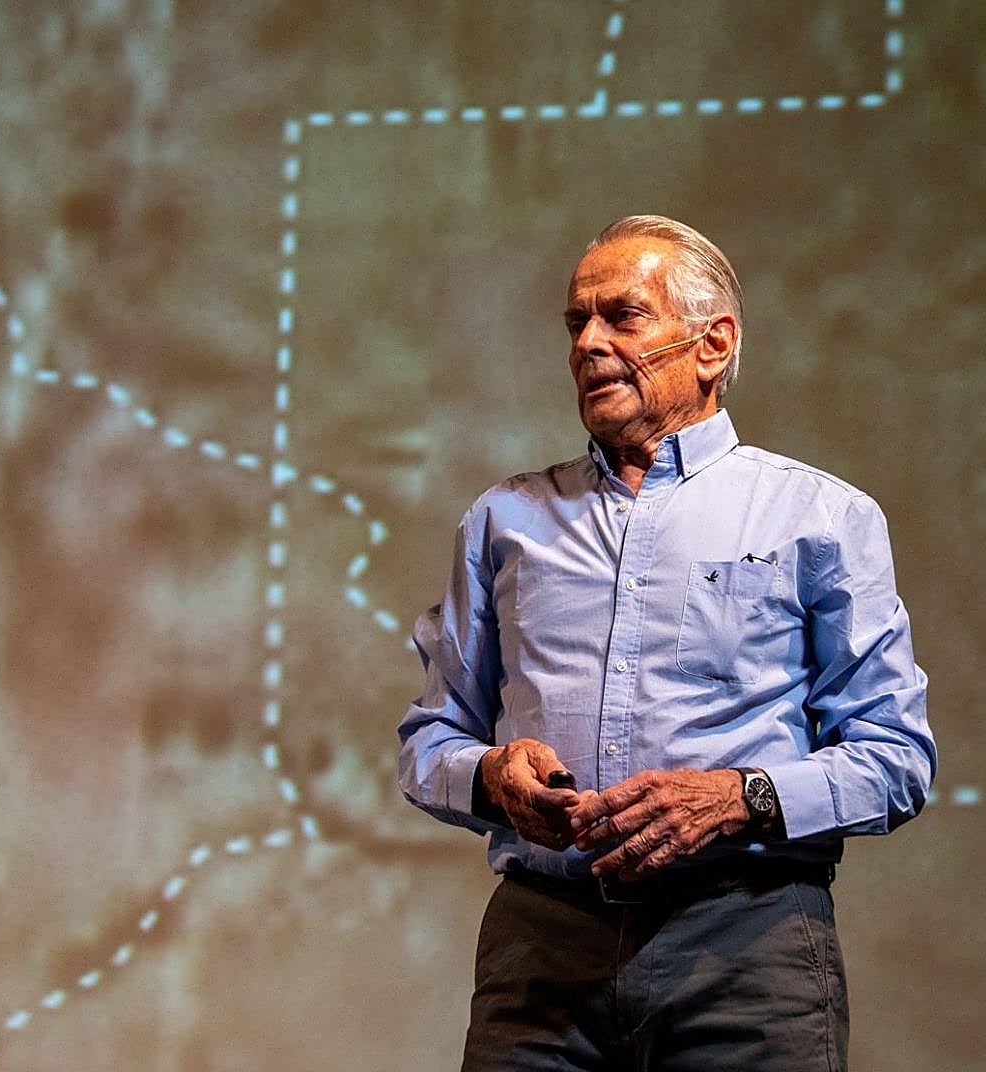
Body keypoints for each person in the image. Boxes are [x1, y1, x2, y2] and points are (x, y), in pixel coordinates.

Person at [397, 214, 935, 1071]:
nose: (588, 344)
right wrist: (491, 778)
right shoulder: (503, 522)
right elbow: (431, 739)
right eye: (577, 323)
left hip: (746, 947)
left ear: (713, 345)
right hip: (542, 950)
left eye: (623, 316)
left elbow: (895, 759)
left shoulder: (821, 518)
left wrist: (735, 798)